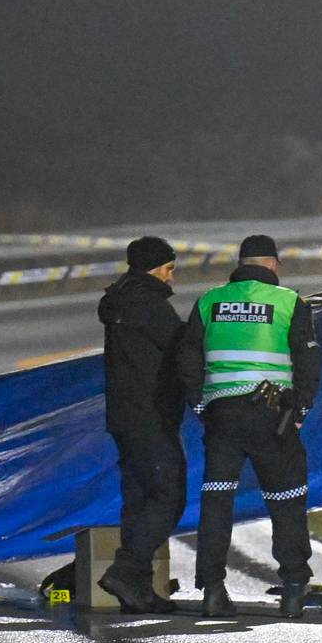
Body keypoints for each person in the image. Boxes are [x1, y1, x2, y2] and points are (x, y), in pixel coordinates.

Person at [179, 235, 322, 617]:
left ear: (240, 263)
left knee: (217, 500)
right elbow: (308, 363)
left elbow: (187, 359)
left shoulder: (209, 301)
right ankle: (293, 589)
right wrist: (300, 411)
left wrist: (201, 406)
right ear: (273, 264)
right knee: (287, 499)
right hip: (272, 415)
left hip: (222, 416)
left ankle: (212, 590)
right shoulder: (289, 302)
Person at [96, 237, 185, 613]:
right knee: (169, 495)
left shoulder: (120, 301)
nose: (171, 277)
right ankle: (127, 570)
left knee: (139, 499)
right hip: (151, 416)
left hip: (124, 416)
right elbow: (183, 349)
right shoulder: (150, 306)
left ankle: (138, 591)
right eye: (169, 269)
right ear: (154, 268)